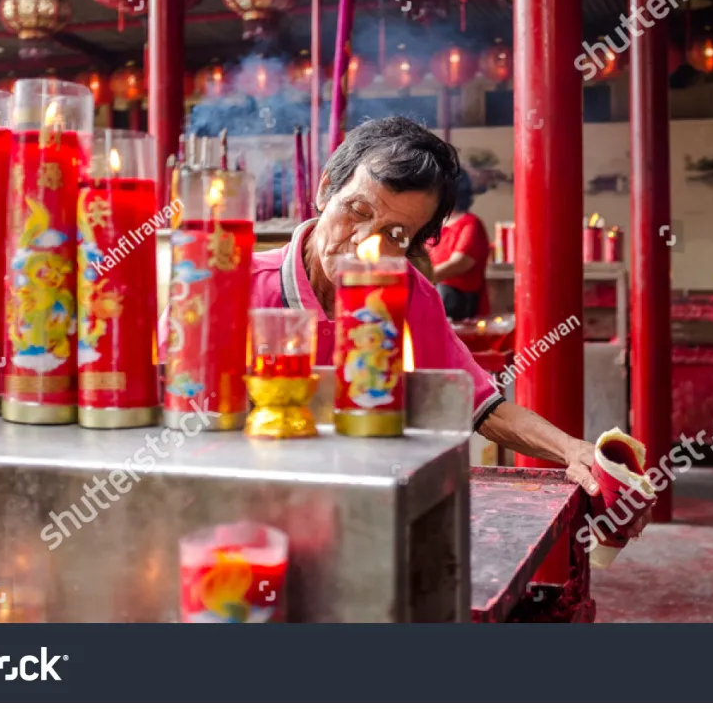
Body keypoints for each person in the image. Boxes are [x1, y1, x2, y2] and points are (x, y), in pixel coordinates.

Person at [161, 118, 645, 536]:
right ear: (326, 186)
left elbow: (480, 405)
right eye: (357, 210)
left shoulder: (410, 293)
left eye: (395, 234)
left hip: (361, 515)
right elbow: (171, 409)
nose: (364, 243)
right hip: (237, 508)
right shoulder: (228, 286)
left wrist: (572, 450)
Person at [426, 169, 490, 321]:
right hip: (432, 293)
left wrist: (422, 279)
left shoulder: (470, 223)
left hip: (456, 302)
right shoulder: (433, 225)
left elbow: (460, 263)